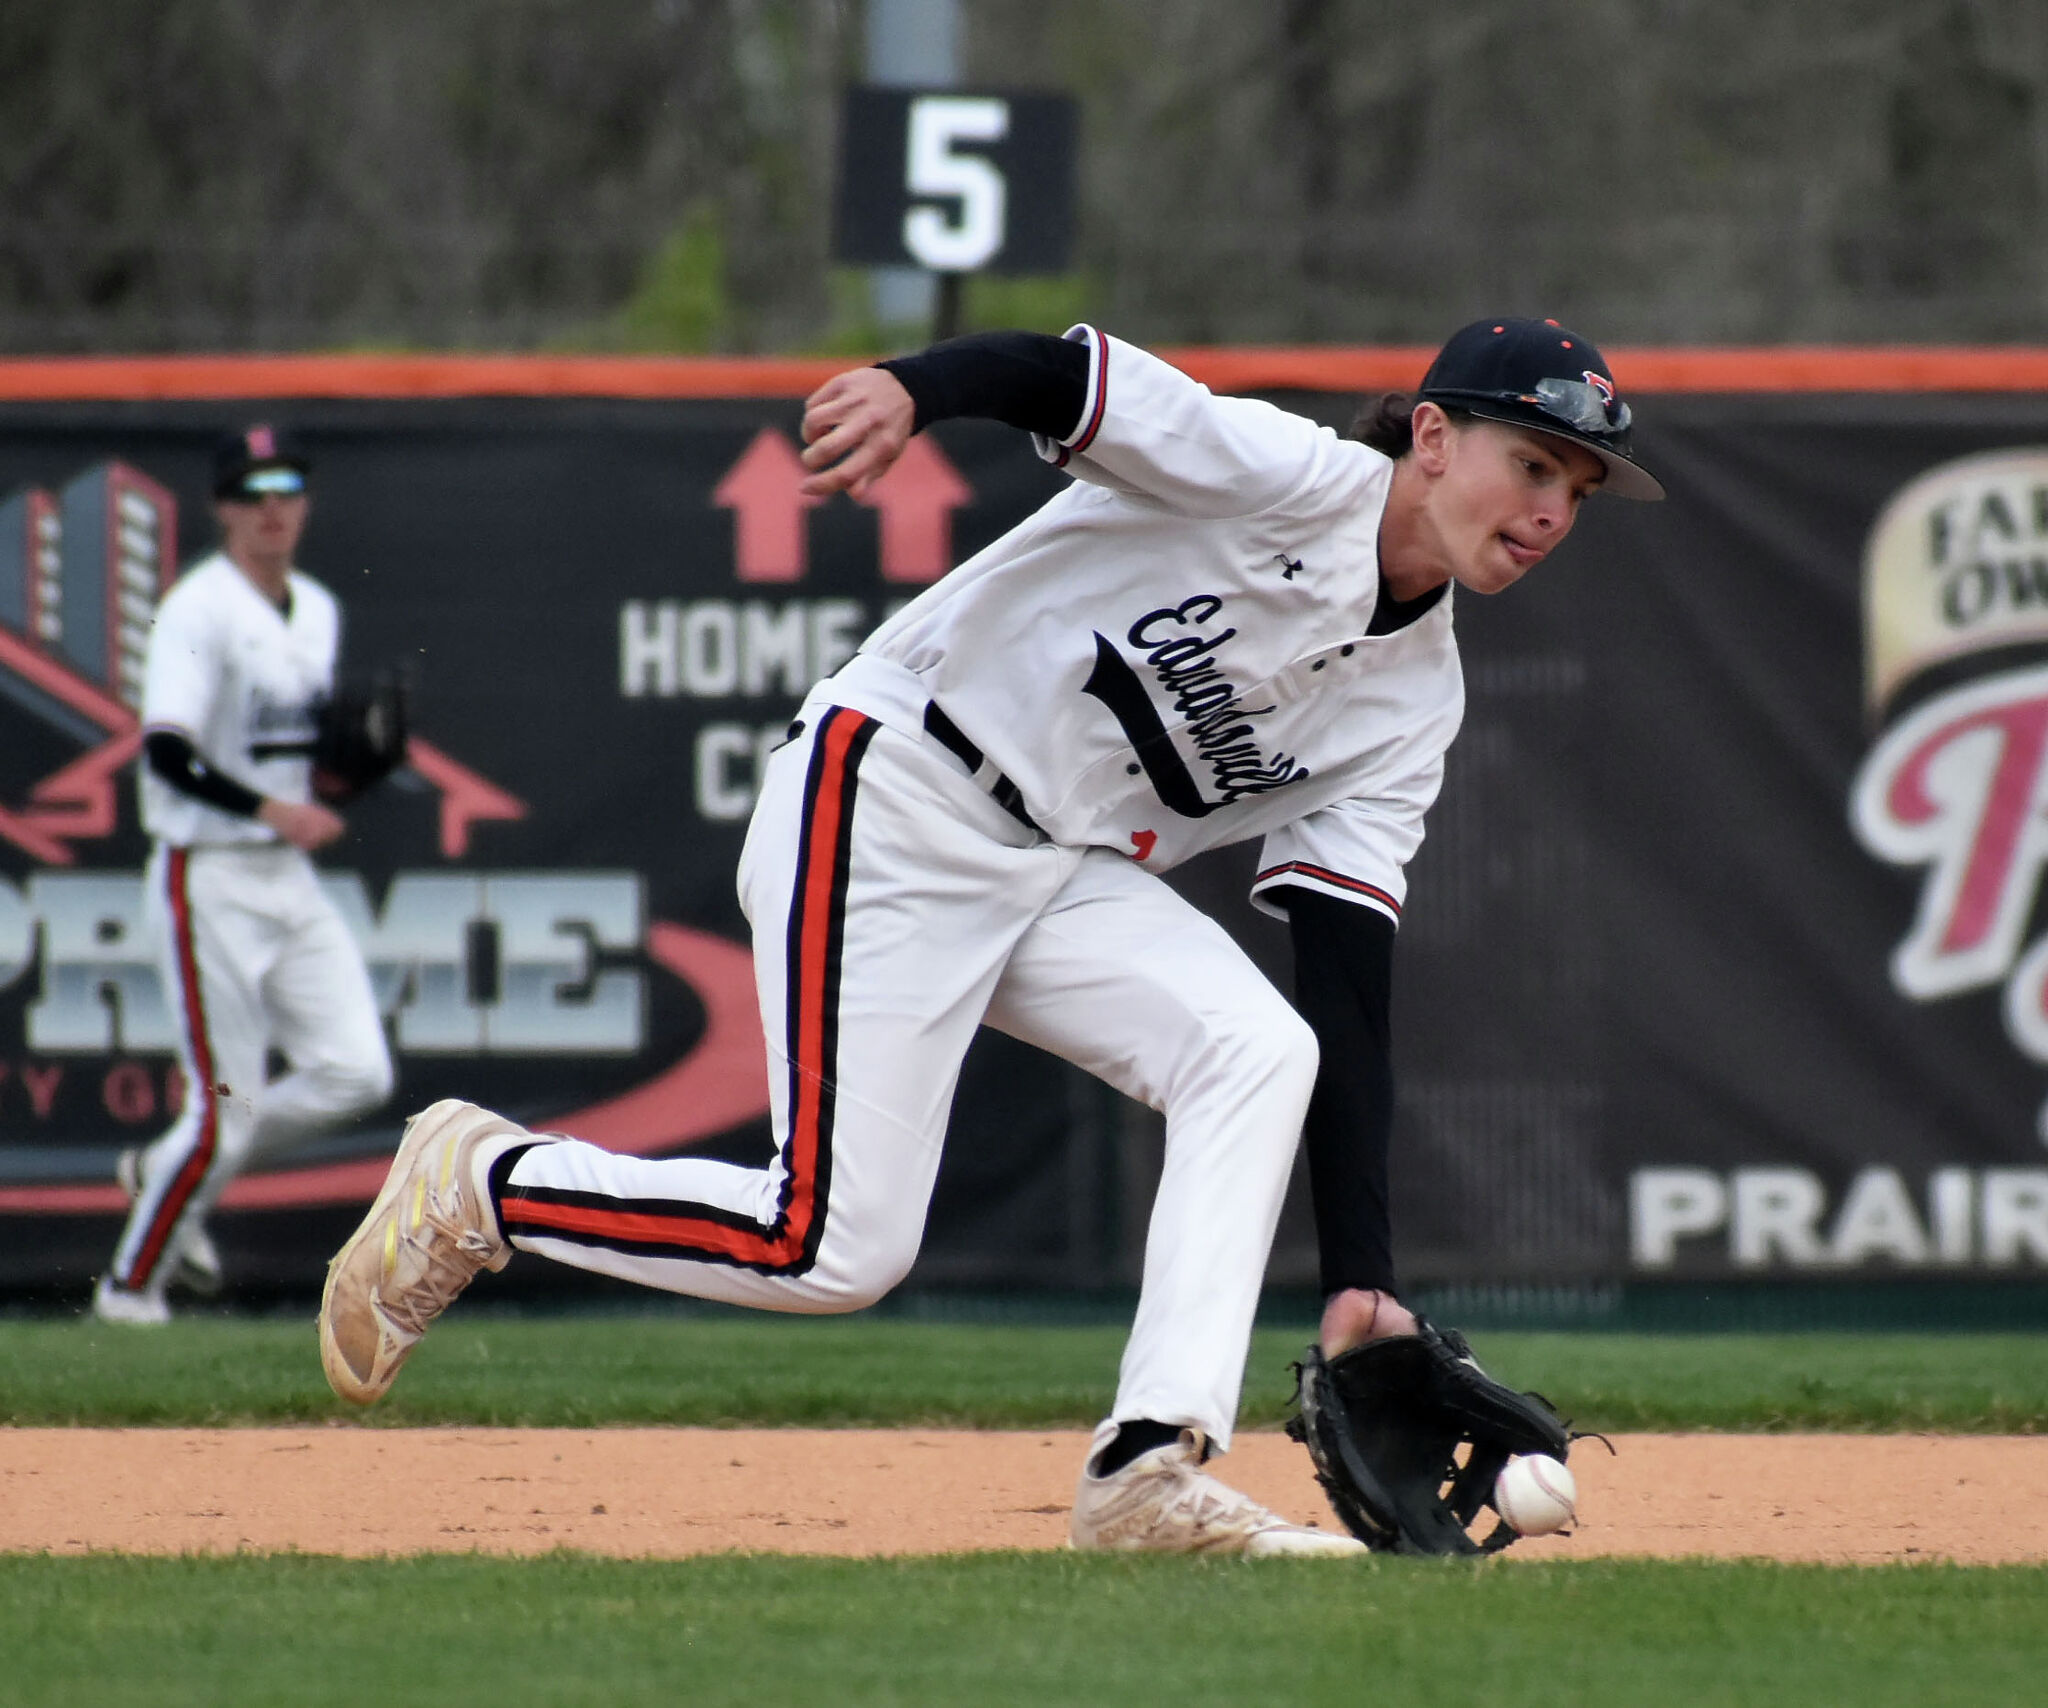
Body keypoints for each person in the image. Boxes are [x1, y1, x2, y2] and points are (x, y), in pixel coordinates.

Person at [319, 317, 1659, 1554]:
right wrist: (916, 391)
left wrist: (1365, 1282)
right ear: (1431, 438)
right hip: (893, 784)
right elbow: (1070, 376)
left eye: (1580, 490)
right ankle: (483, 1184)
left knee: (1262, 1047)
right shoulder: (1283, 475)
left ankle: (1147, 1468)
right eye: (1534, 459)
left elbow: (1348, 980)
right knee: (829, 1251)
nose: (1551, 508)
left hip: (1046, 867)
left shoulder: (1414, 706)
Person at [95, 425, 395, 1325]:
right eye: (254, 493)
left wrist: (338, 780)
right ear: (224, 508)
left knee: (355, 1072)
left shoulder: (318, 609)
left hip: (284, 879)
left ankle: (165, 1168)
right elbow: (167, 755)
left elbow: (294, 756)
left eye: (286, 490)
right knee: (224, 1109)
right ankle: (128, 1292)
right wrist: (275, 810)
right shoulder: (201, 607)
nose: (272, 509)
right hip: (208, 877)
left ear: (304, 502)